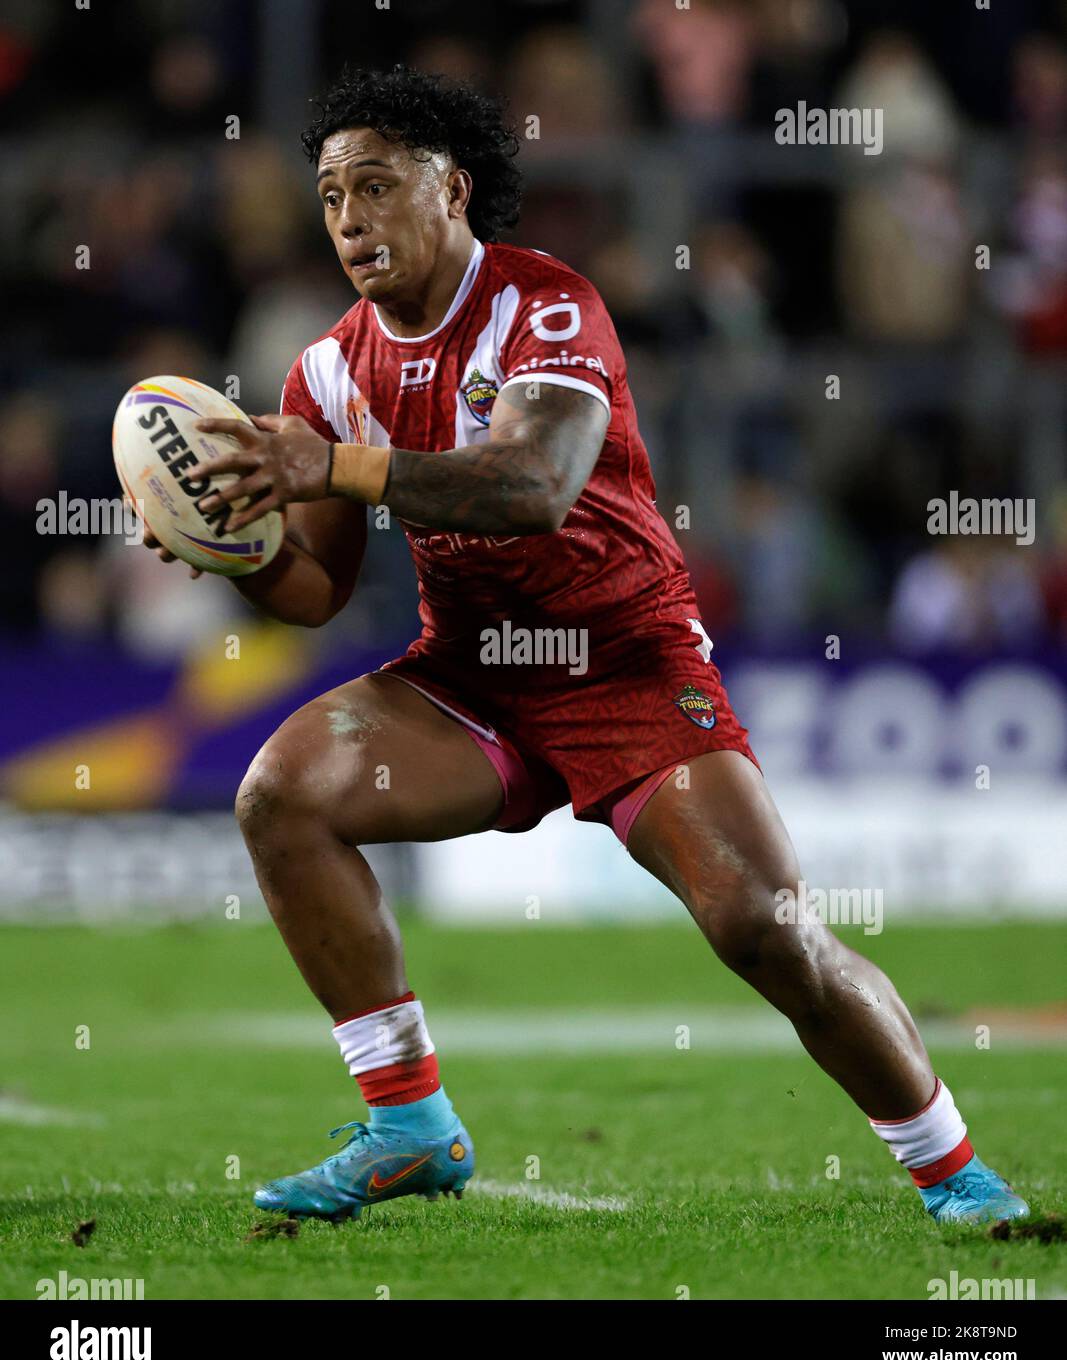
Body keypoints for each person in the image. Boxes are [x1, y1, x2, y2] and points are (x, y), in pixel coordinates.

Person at [147, 66, 1027, 1227]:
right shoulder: (326, 371)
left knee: (763, 928)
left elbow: (534, 485)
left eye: (374, 184)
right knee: (281, 796)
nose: (349, 218)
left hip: (623, 661)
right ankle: (410, 1125)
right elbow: (313, 593)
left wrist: (335, 467)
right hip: (469, 679)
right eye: (328, 196)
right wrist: (238, 556)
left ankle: (956, 1174)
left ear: (450, 188)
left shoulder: (544, 304)